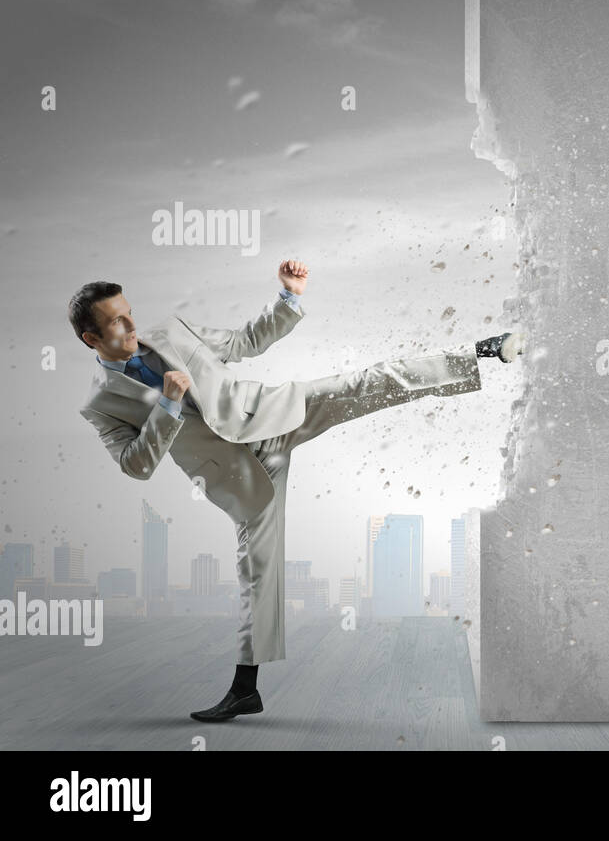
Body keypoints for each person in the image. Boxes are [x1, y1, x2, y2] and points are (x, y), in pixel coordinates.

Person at [70, 260, 524, 721]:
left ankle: (481, 353)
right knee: (257, 570)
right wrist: (166, 404)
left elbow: (244, 342)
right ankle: (245, 690)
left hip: (272, 415)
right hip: (237, 475)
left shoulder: (170, 330)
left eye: (129, 312)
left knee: (364, 382)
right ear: (91, 338)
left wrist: (288, 297)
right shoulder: (100, 404)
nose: (131, 325)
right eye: (116, 321)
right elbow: (137, 466)